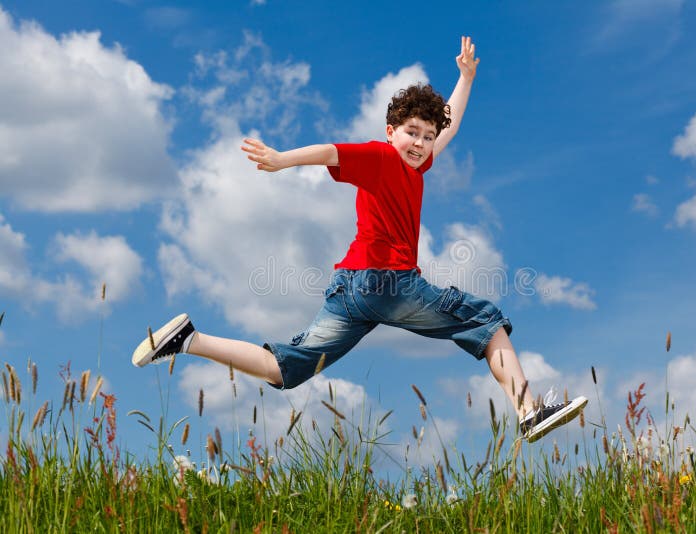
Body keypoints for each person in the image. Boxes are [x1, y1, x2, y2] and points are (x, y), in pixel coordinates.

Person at [132, 36, 586, 442]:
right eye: (411, 133)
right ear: (392, 132)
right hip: (389, 283)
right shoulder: (379, 156)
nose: (420, 143)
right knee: (486, 320)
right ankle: (528, 412)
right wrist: (280, 159)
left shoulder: (418, 164)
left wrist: (464, 79)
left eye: (426, 137)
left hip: (349, 291)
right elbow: (331, 151)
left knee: (286, 367)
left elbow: (450, 128)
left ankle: (187, 340)